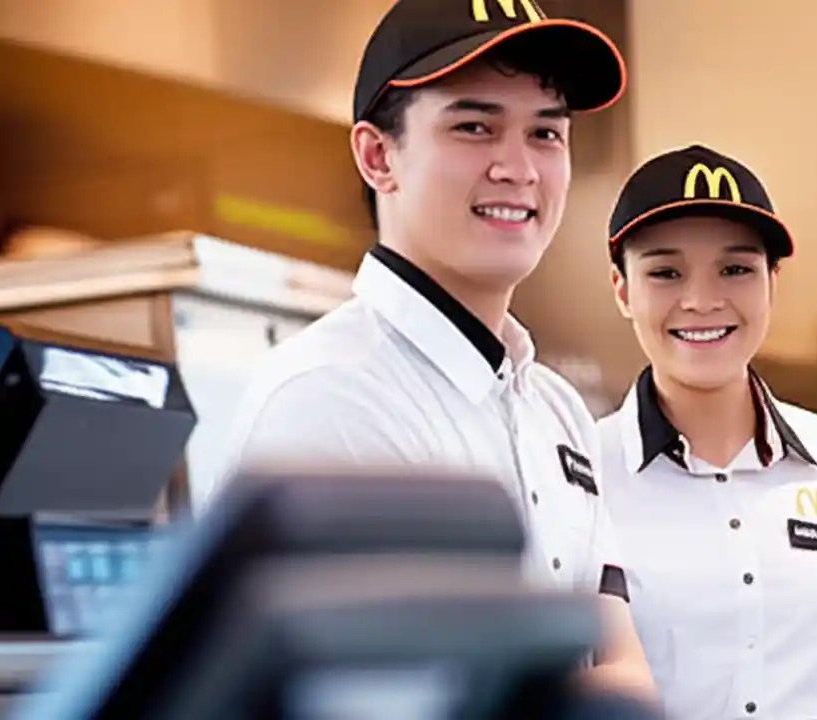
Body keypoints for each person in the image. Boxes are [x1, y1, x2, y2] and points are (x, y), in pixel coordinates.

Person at [214, 0, 656, 703]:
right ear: (377, 154)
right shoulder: (329, 401)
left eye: (546, 132)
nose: (519, 168)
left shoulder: (558, 411)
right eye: (474, 126)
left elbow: (622, 666)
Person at [597, 143, 817, 719]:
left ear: (771, 282)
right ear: (621, 289)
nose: (702, 301)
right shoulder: (579, 475)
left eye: (735, 269)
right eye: (665, 272)